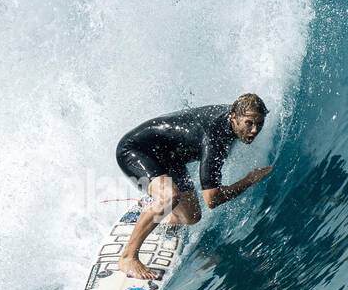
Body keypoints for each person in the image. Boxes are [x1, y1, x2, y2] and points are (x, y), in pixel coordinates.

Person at [114, 93, 273, 280]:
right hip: (136, 150)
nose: (255, 130)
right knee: (169, 197)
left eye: (259, 124)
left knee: (191, 217)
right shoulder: (215, 138)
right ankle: (128, 257)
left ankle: (163, 219)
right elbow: (211, 199)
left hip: (170, 156)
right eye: (249, 123)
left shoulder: (233, 118)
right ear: (234, 117)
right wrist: (248, 181)